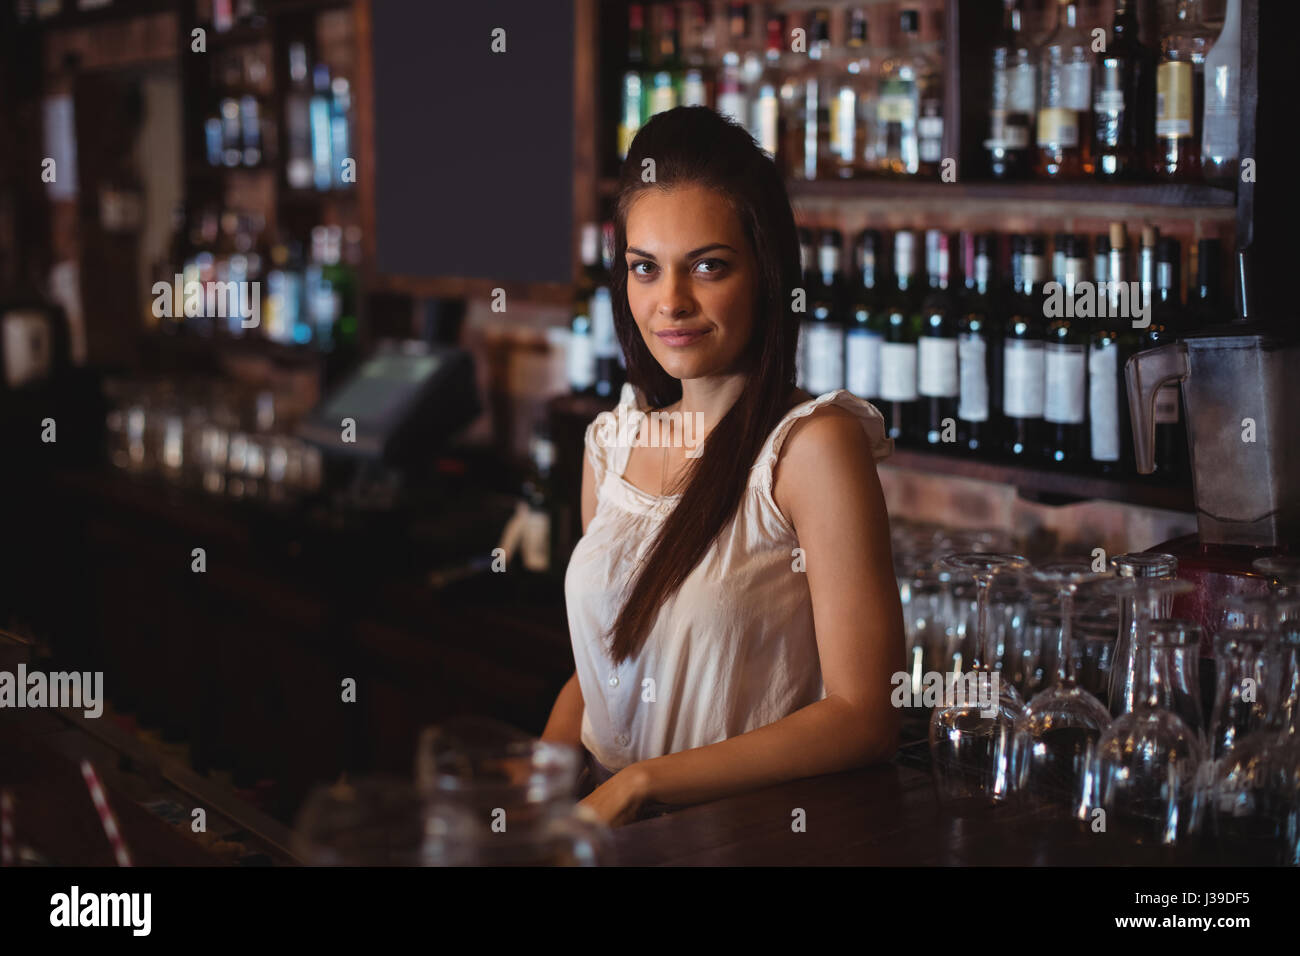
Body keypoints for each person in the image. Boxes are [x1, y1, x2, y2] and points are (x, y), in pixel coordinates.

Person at [541, 106, 905, 826]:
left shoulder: (809, 446)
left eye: (708, 266)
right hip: (607, 832)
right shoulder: (609, 444)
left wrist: (640, 783)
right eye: (645, 268)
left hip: (737, 838)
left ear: (765, 272)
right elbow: (604, 669)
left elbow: (866, 715)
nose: (670, 302)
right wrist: (534, 792)